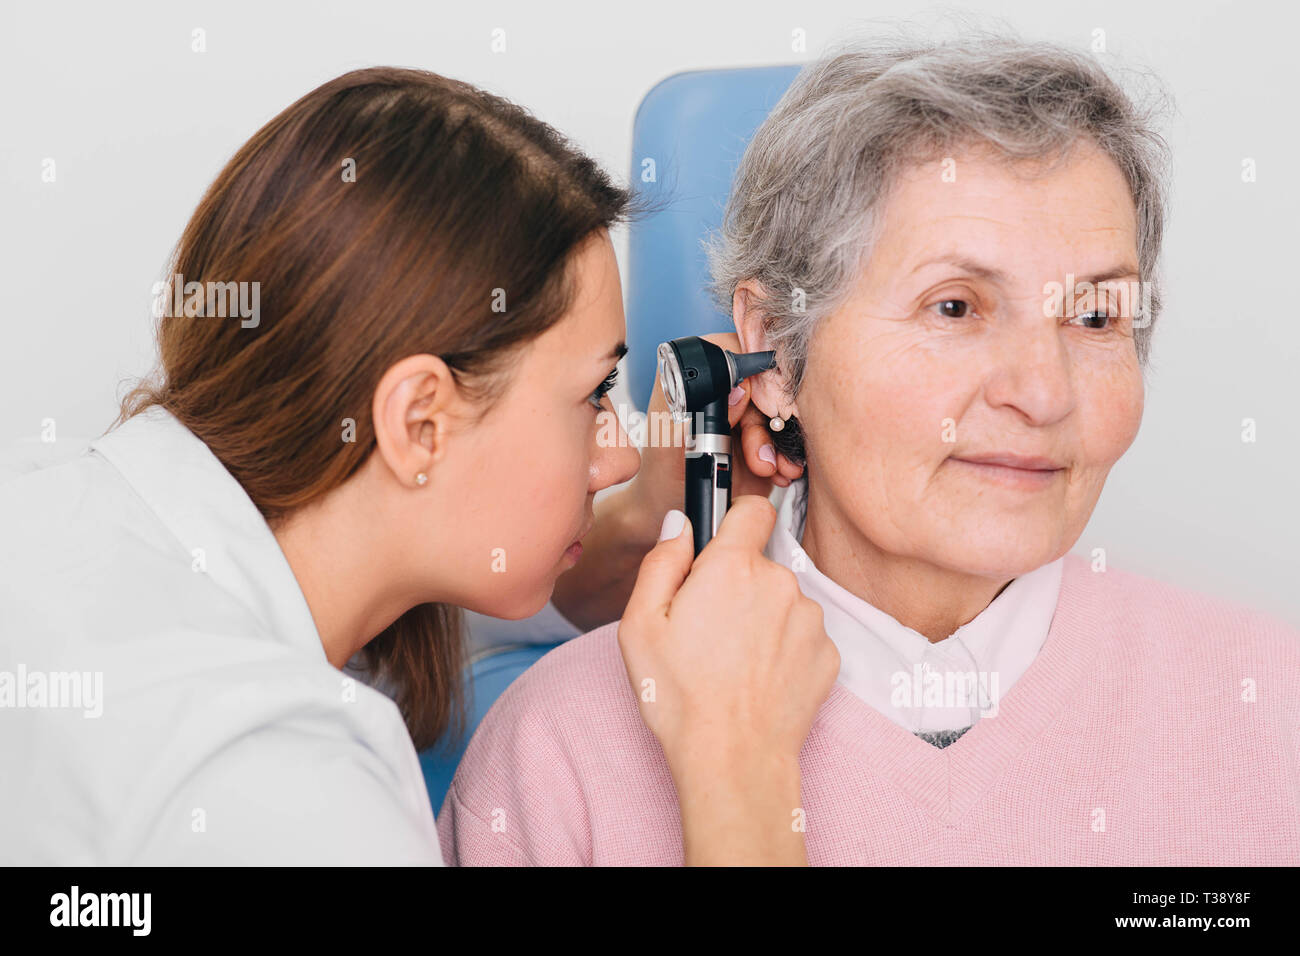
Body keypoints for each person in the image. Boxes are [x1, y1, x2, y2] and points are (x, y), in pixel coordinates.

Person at [438, 32, 1300, 865]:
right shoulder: (554, 762)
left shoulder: (1272, 707)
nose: (1043, 393)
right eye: (955, 307)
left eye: (1096, 316)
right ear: (775, 348)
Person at [0, 66, 838, 865]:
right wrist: (739, 769)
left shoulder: (68, 513)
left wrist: (635, 527)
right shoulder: (276, 794)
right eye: (594, 394)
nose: (617, 453)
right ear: (420, 422)